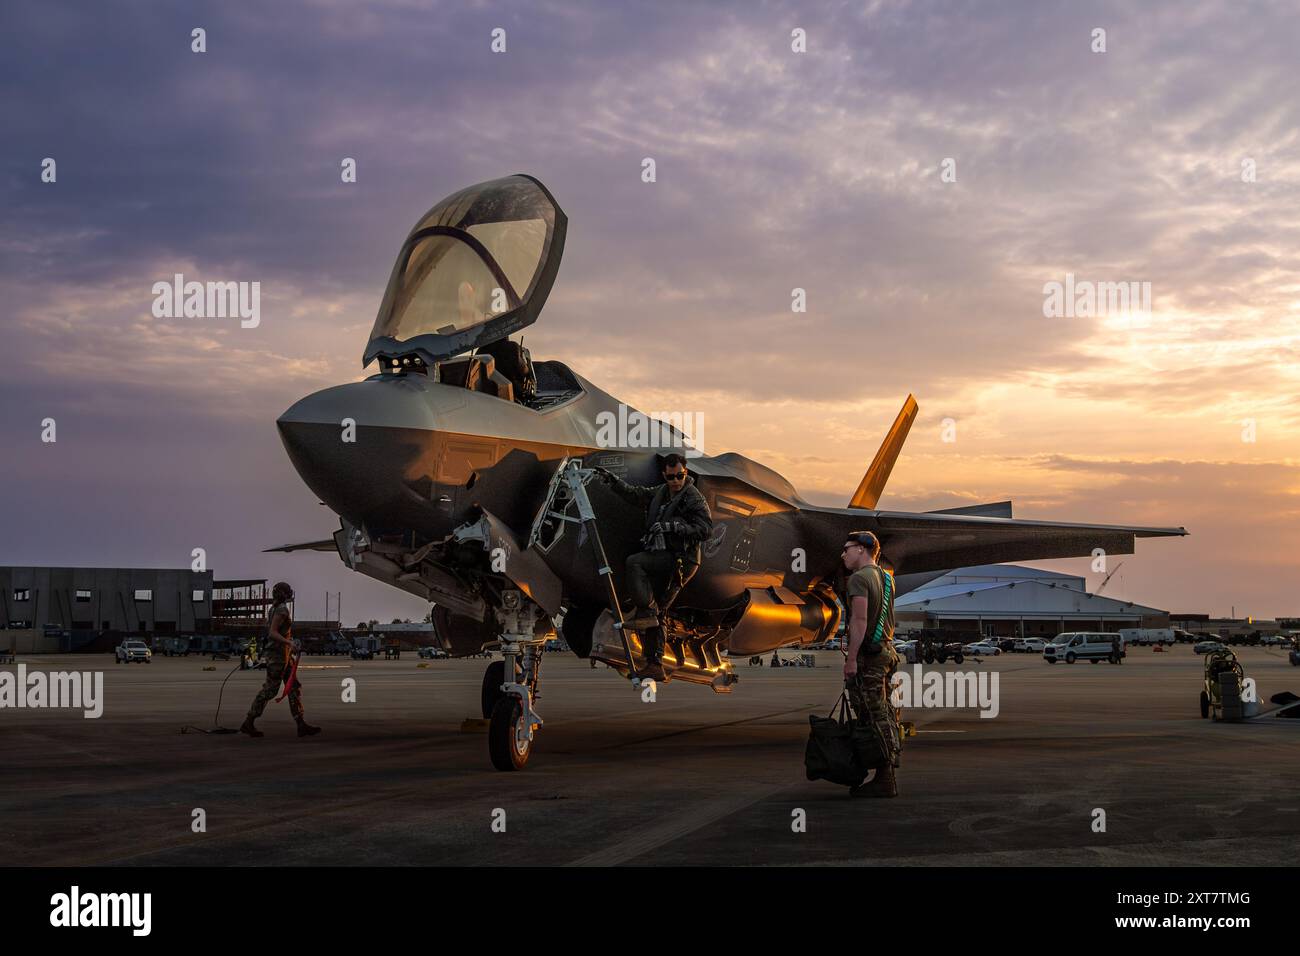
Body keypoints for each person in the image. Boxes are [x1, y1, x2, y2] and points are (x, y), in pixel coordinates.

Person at [594, 453, 712, 682]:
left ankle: (646, 617)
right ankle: (654, 663)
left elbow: (705, 529)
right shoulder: (661, 492)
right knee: (659, 612)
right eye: (671, 477)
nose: (676, 481)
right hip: (665, 557)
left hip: (681, 561)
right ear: (664, 475)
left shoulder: (693, 498)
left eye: (680, 476)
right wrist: (614, 482)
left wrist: (672, 526)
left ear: (685, 473)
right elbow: (637, 495)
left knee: (635, 563)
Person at [841, 531, 900, 797]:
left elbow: (860, 621)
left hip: (871, 658)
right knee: (885, 712)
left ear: (862, 550)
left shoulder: (859, 578)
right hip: (887, 651)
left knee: (872, 715)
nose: (843, 554)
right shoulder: (886, 578)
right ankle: (888, 770)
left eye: (847, 549)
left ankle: (884, 778)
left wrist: (852, 658)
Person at [240, 581, 321, 738]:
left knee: (293, 687)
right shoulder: (282, 609)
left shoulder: (274, 608)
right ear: (285, 594)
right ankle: (248, 721)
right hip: (277, 656)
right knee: (270, 690)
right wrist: (290, 643)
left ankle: (300, 723)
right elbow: (273, 633)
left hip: (283, 655)